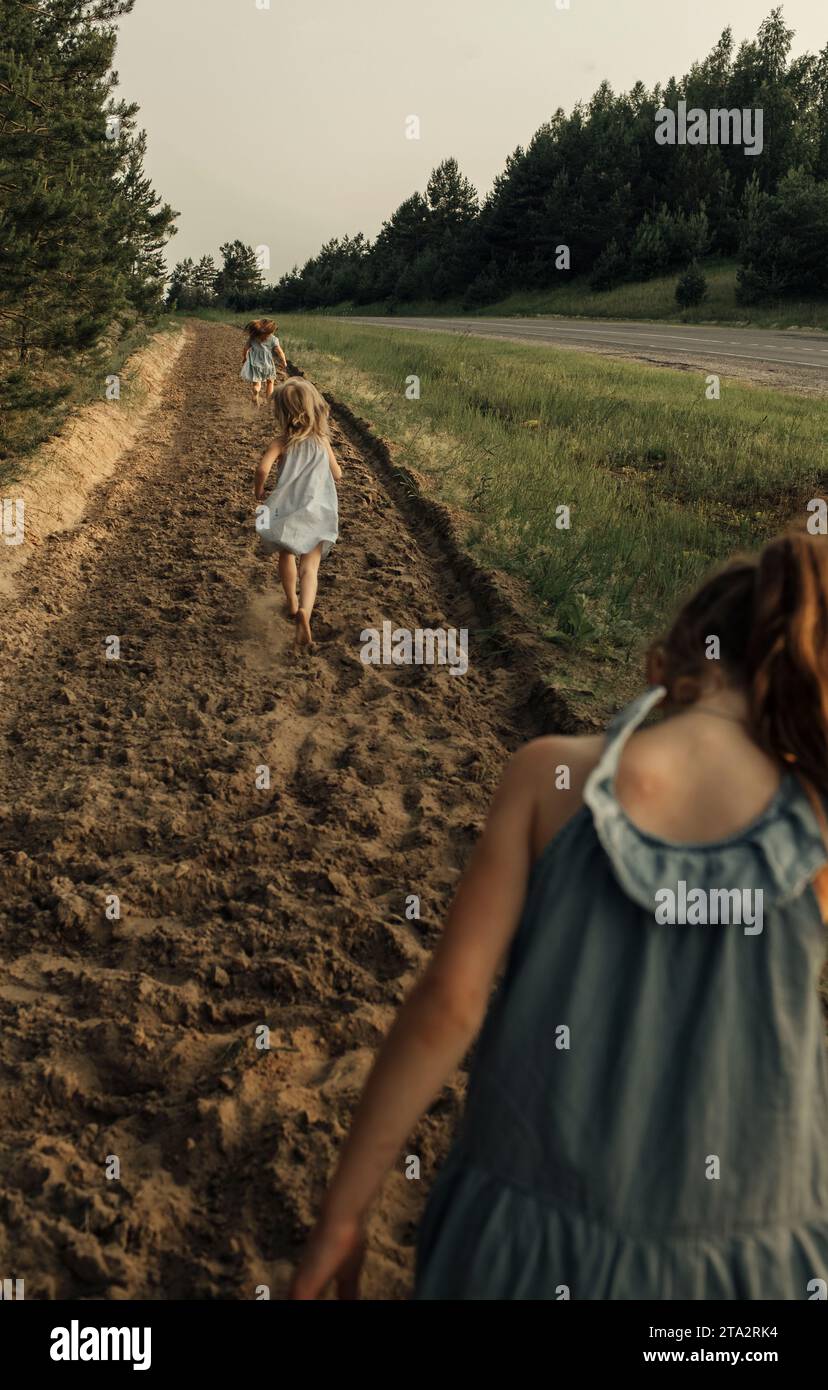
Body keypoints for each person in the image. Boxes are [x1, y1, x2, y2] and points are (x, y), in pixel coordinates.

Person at [289, 529, 828, 1300]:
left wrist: (345, 1213)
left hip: (527, 1236)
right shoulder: (814, 822)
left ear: (668, 664)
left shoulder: (549, 777)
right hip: (755, 1252)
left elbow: (450, 1003)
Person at [254, 378, 341, 650]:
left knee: (286, 554)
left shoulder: (281, 442)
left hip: (288, 510)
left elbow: (262, 468)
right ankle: (305, 610)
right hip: (319, 510)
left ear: (282, 413)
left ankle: (291, 602)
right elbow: (337, 473)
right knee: (310, 567)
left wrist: (259, 491)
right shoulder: (322, 440)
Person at [241, 319, 287, 406]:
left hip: (255, 364)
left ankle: (256, 391)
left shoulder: (253, 338)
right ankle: (269, 401)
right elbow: (279, 351)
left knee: (257, 382)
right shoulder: (274, 339)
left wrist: (244, 358)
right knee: (270, 381)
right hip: (268, 364)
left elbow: (245, 349)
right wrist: (284, 361)